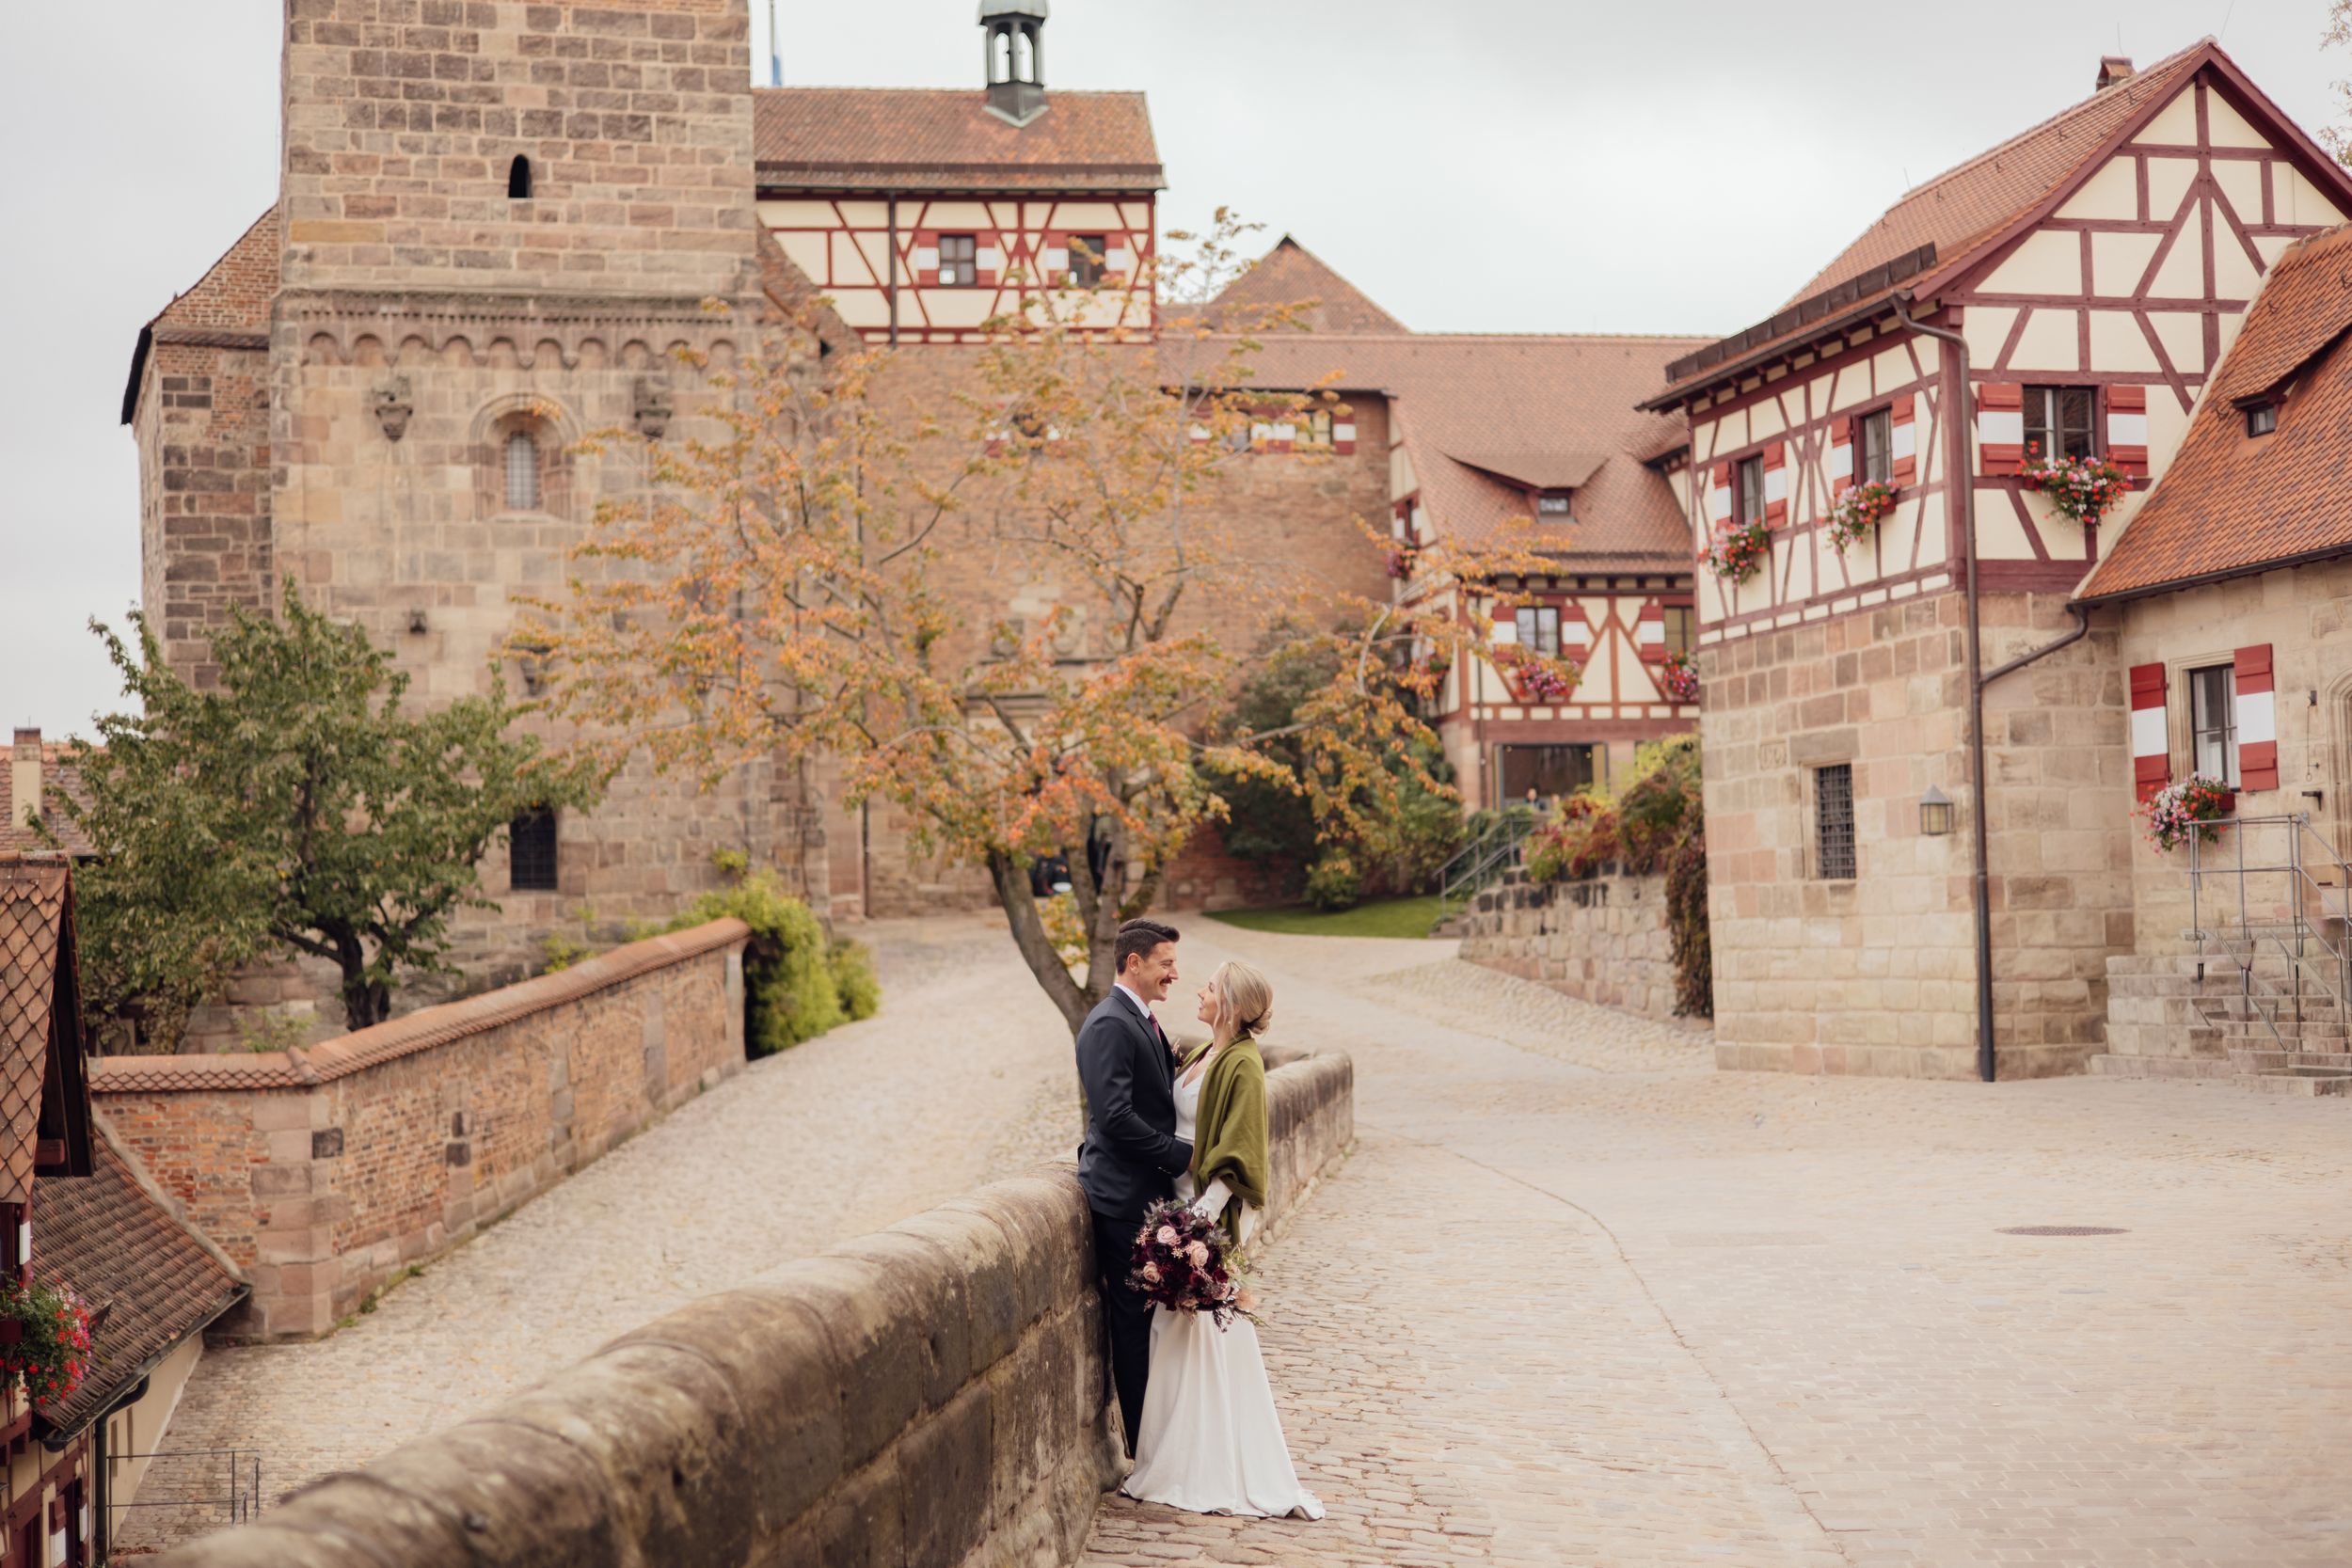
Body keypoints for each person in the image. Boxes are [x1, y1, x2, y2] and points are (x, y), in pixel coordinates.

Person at [1120, 959, 1324, 1520]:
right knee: (1177, 1339)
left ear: (1229, 1002)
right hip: (1176, 1206)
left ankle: (1206, 1467)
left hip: (1200, 1218)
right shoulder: (1204, 1053)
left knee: (1204, 1337)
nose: (1199, 990)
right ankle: (1172, 1458)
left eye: (1209, 986)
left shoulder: (1244, 1065)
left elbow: (1237, 1152)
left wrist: (1196, 1228)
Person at [1074, 917, 1192, 1459]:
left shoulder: (1141, 1018)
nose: (1174, 973)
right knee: (1131, 1321)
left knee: (1152, 1321)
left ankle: (1159, 1439)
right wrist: (1179, 1155)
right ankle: (1144, 1450)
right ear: (1134, 963)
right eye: (1166, 963)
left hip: (1148, 1196)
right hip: (1121, 1199)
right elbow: (1116, 1117)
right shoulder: (1108, 1025)